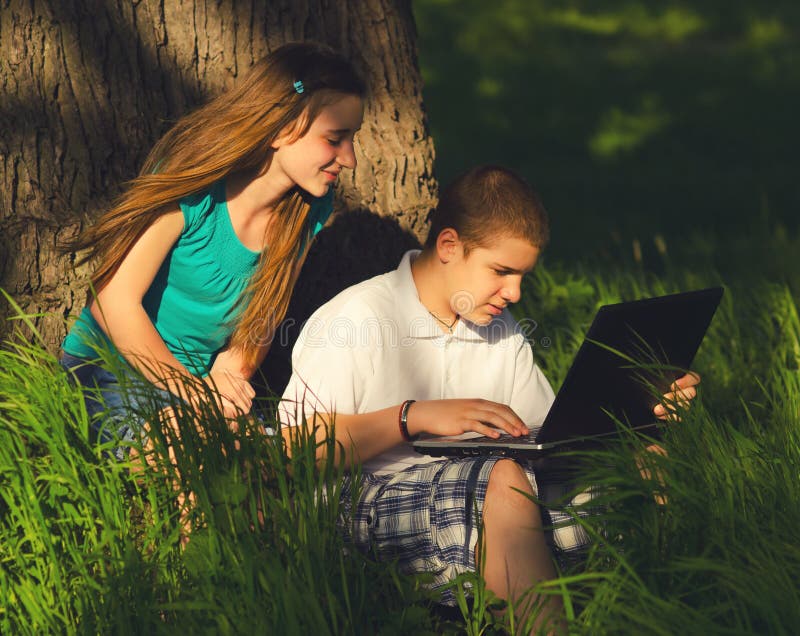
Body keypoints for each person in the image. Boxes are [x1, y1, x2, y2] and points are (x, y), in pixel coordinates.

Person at [279, 165, 700, 628]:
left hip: (484, 493)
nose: (514, 292)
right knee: (502, 479)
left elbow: (549, 438)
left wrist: (638, 417)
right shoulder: (357, 318)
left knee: (642, 464)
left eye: (522, 276)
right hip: (364, 506)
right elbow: (292, 452)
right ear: (449, 247)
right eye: (501, 271)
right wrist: (411, 417)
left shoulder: (499, 331)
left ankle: (661, 614)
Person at [60, 42, 366, 459]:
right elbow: (112, 300)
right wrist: (192, 394)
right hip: (113, 373)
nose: (348, 159)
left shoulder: (307, 207)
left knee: (269, 465)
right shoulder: (195, 182)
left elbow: (267, 310)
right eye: (335, 139)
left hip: (199, 389)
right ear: (282, 129)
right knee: (188, 453)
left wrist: (231, 373)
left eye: (352, 139)